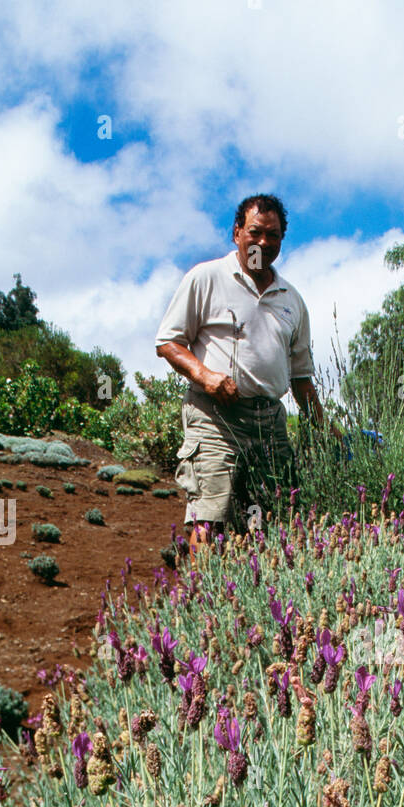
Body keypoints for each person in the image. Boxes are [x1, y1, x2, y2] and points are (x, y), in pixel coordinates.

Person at [155, 193, 336, 559]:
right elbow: (168, 342)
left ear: (282, 240)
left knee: (271, 517)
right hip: (215, 417)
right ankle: (204, 601)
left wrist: (325, 429)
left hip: (269, 423)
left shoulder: (292, 300)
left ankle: (251, 603)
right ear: (237, 233)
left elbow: (301, 379)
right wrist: (204, 375)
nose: (263, 243)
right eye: (255, 232)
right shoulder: (206, 278)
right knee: (212, 516)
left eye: (274, 235)